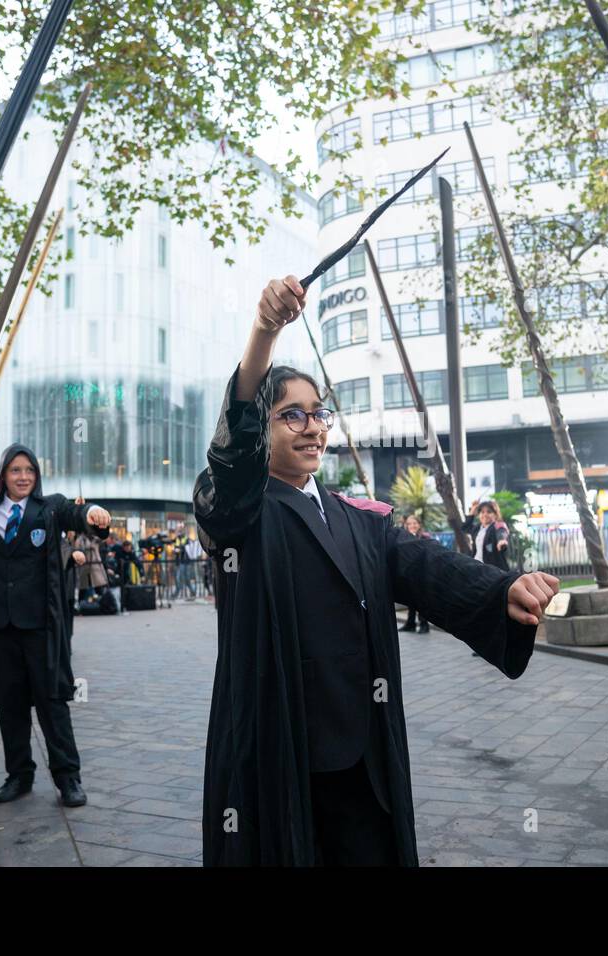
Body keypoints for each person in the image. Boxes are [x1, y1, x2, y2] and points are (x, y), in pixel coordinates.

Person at [193, 275, 560, 866]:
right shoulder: (240, 510)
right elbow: (231, 458)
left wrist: (501, 591)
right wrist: (264, 331)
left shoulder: (355, 517)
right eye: (291, 415)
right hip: (281, 743)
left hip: (365, 750)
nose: (313, 427)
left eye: (319, 413)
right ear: (259, 429)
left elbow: (423, 565)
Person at [0, 443, 110, 808]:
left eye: (28, 470)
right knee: (11, 705)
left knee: (52, 702)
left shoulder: (51, 508)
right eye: (15, 470)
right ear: (3, 477)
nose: (23, 476)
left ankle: (68, 778)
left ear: (36, 475)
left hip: (40, 626)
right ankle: (19, 775)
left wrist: (94, 512)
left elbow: (79, 514)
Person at [398, 514, 430, 634]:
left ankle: (424, 624)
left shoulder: (425, 538)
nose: (412, 525)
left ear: (419, 524)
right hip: (408, 573)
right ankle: (410, 623)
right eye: (409, 524)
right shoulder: (403, 537)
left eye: (414, 523)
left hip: (422, 572)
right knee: (410, 599)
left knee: (422, 600)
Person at [463, 498, 511, 571]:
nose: (485, 514)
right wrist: (473, 509)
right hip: (477, 567)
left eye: (489, 512)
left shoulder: (497, 525)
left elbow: (501, 530)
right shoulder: (477, 528)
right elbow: (465, 528)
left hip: (493, 571)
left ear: (495, 515)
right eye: (482, 512)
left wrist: (502, 540)